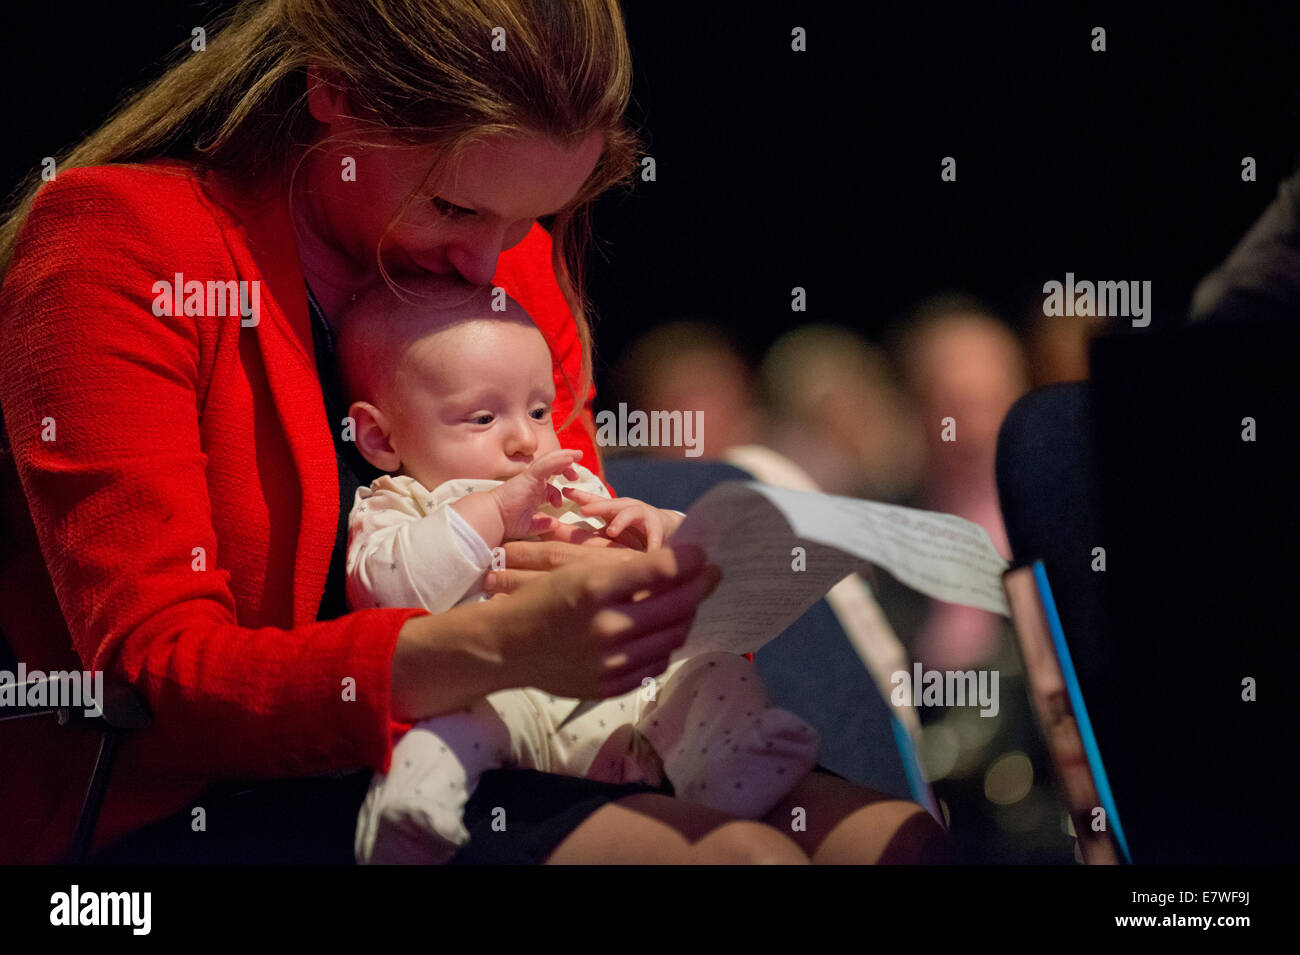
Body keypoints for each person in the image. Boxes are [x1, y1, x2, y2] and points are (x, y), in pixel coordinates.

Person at [0, 0, 949, 865]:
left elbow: (561, 522)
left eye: (532, 217)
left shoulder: (510, 258)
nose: (490, 260)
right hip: (216, 802)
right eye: (455, 206)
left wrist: (630, 575)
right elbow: (159, 675)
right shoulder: (118, 243)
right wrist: (503, 647)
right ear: (332, 91)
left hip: (525, 731)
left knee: (897, 843)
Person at [335, 277, 820, 863]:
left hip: (623, 703)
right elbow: (383, 590)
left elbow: (641, 554)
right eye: (484, 417)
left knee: (711, 672)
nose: (525, 439)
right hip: (503, 703)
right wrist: (488, 512)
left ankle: (728, 766)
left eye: (539, 410)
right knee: (447, 730)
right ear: (380, 437)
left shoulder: (569, 484)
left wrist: (652, 525)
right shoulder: (400, 502)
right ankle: (415, 814)